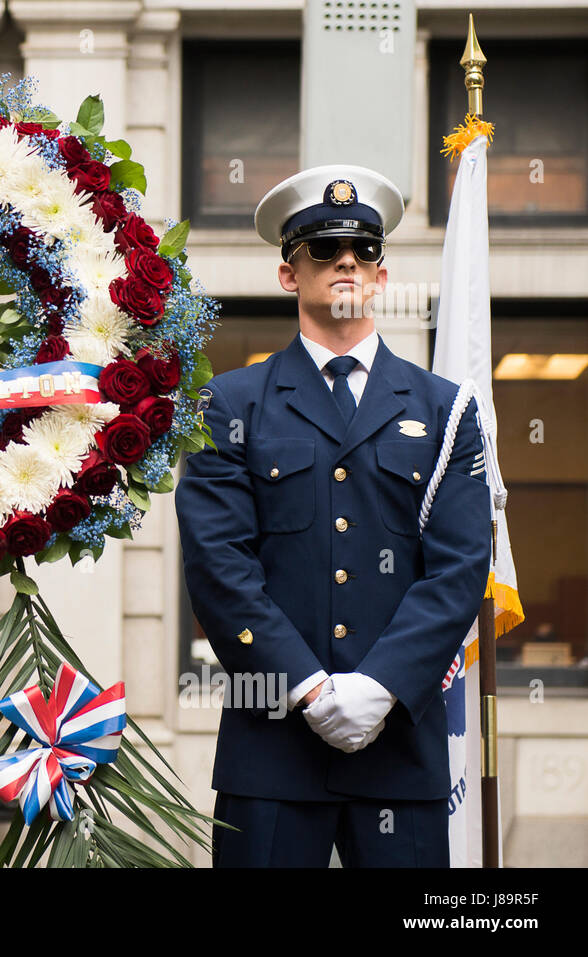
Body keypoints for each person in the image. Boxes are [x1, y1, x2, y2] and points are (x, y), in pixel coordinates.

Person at [175, 165, 491, 867]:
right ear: (289, 273)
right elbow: (219, 566)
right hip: (274, 755)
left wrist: (379, 687)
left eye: (365, 251)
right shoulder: (231, 405)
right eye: (324, 250)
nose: (348, 262)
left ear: (382, 274)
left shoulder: (446, 410)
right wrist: (310, 689)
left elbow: (462, 567)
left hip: (400, 753)